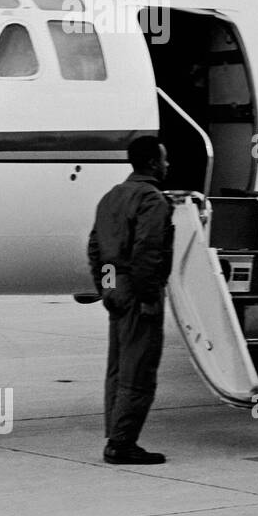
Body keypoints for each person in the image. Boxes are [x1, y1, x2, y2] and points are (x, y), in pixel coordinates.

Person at [88, 135, 174, 465]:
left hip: (116, 291)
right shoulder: (152, 199)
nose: (167, 165)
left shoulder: (112, 196)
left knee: (118, 367)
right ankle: (122, 443)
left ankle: (115, 434)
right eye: (164, 159)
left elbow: (95, 248)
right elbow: (147, 251)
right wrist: (148, 295)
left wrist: (106, 287)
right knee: (138, 370)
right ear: (153, 162)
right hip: (138, 293)